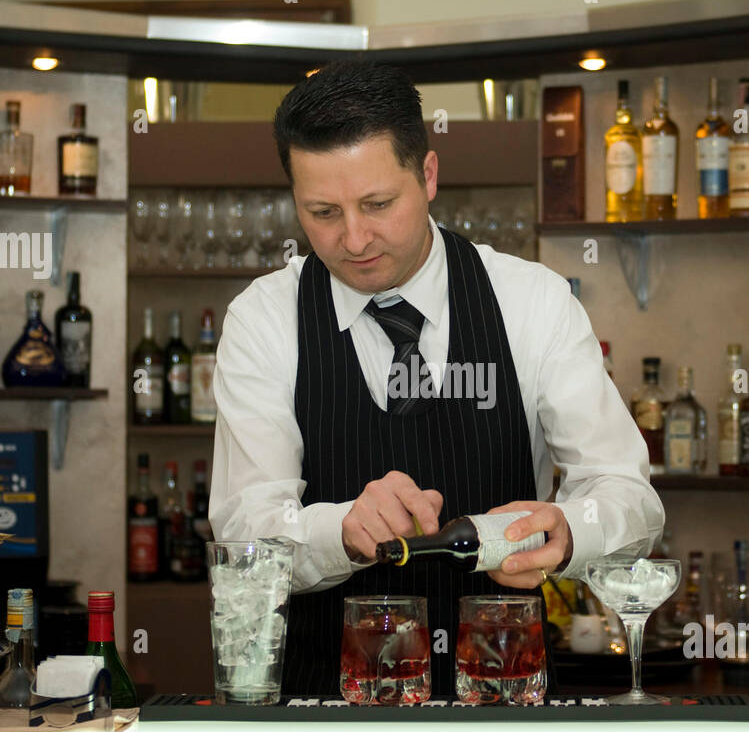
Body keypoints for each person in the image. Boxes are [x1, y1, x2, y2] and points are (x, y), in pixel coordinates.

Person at [209, 60, 664, 699]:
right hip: (321, 712)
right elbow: (245, 533)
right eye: (322, 212)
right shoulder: (264, 318)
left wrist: (570, 531)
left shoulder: (530, 300)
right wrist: (340, 529)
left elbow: (629, 494)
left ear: (427, 174)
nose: (354, 238)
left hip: (504, 699)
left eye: (377, 204)